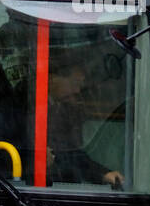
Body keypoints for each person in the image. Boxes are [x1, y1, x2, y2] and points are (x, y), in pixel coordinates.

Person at [45, 56, 124, 188]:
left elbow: (71, 153)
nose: (77, 91)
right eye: (74, 84)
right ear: (51, 79)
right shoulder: (24, 107)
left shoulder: (61, 108)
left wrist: (104, 173)